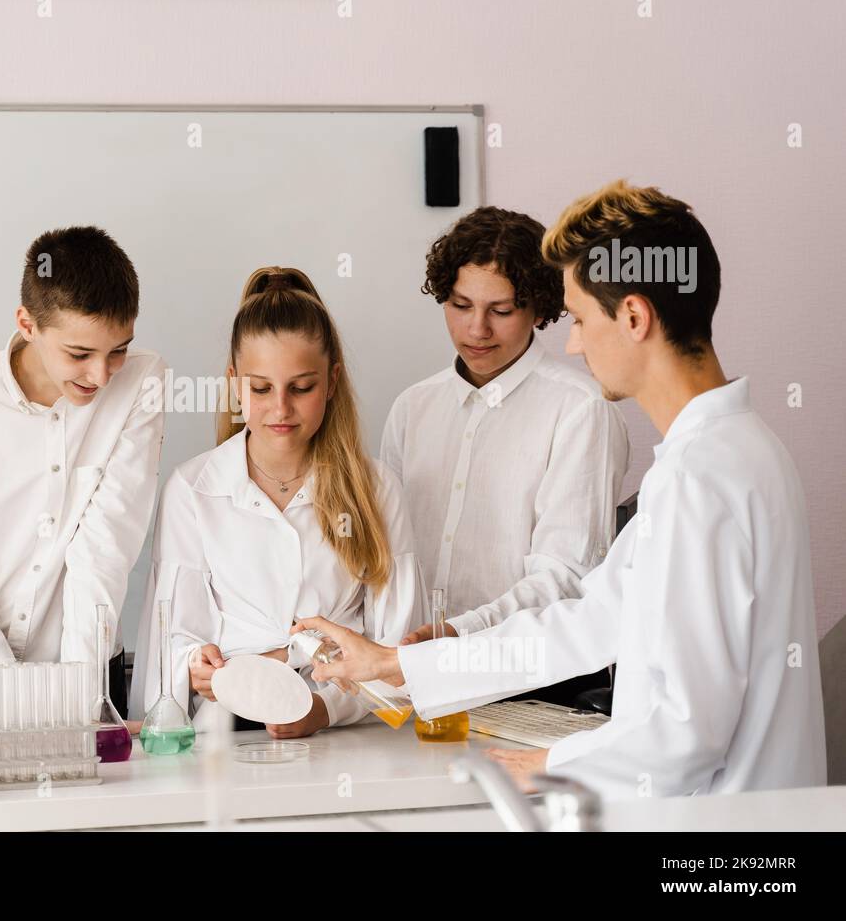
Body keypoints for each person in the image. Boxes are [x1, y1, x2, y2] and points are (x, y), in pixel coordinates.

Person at [295, 181, 827, 798]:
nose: (571, 342)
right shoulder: (732, 451)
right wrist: (393, 663)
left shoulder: (702, 479)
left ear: (633, 317)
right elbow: (587, 621)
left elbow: (681, 734)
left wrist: (549, 763)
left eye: (577, 318)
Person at [131, 267, 425, 738]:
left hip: (347, 736)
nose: (281, 408)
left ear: (332, 381)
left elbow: (401, 664)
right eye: (260, 388)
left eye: (302, 387)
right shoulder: (193, 490)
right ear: (234, 383)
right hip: (225, 734)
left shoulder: (377, 490)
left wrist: (320, 709)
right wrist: (194, 664)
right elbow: (171, 638)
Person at [382, 206, 629, 705]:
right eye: (459, 304)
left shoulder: (580, 410)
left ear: (540, 309)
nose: (477, 330)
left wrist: (460, 635)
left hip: (533, 686)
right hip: (416, 681)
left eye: (500, 311)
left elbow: (566, 578)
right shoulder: (412, 408)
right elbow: (385, 556)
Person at [0, 226, 164, 718]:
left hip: (87, 673)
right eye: (79, 354)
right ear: (27, 324)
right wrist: (20, 702)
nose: (100, 375)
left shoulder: (143, 381)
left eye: (117, 350)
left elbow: (104, 552)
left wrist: (74, 706)